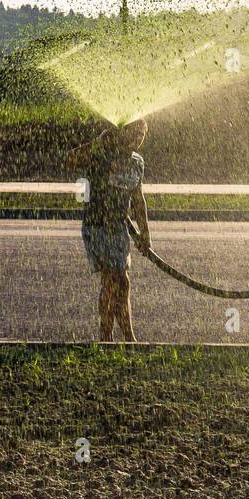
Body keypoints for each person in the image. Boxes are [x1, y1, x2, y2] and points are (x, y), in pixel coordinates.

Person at [67, 119, 152, 342]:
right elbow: (70, 159)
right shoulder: (103, 153)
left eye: (141, 135)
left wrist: (145, 234)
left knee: (121, 282)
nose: (137, 139)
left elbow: (138, 200)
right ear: (122, 133)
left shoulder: (137, 163)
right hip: (97, 226)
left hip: (118, 229)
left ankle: (122, 338)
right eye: (133, 133)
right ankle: (110, 337)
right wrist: (97, 143)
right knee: (113, 280)